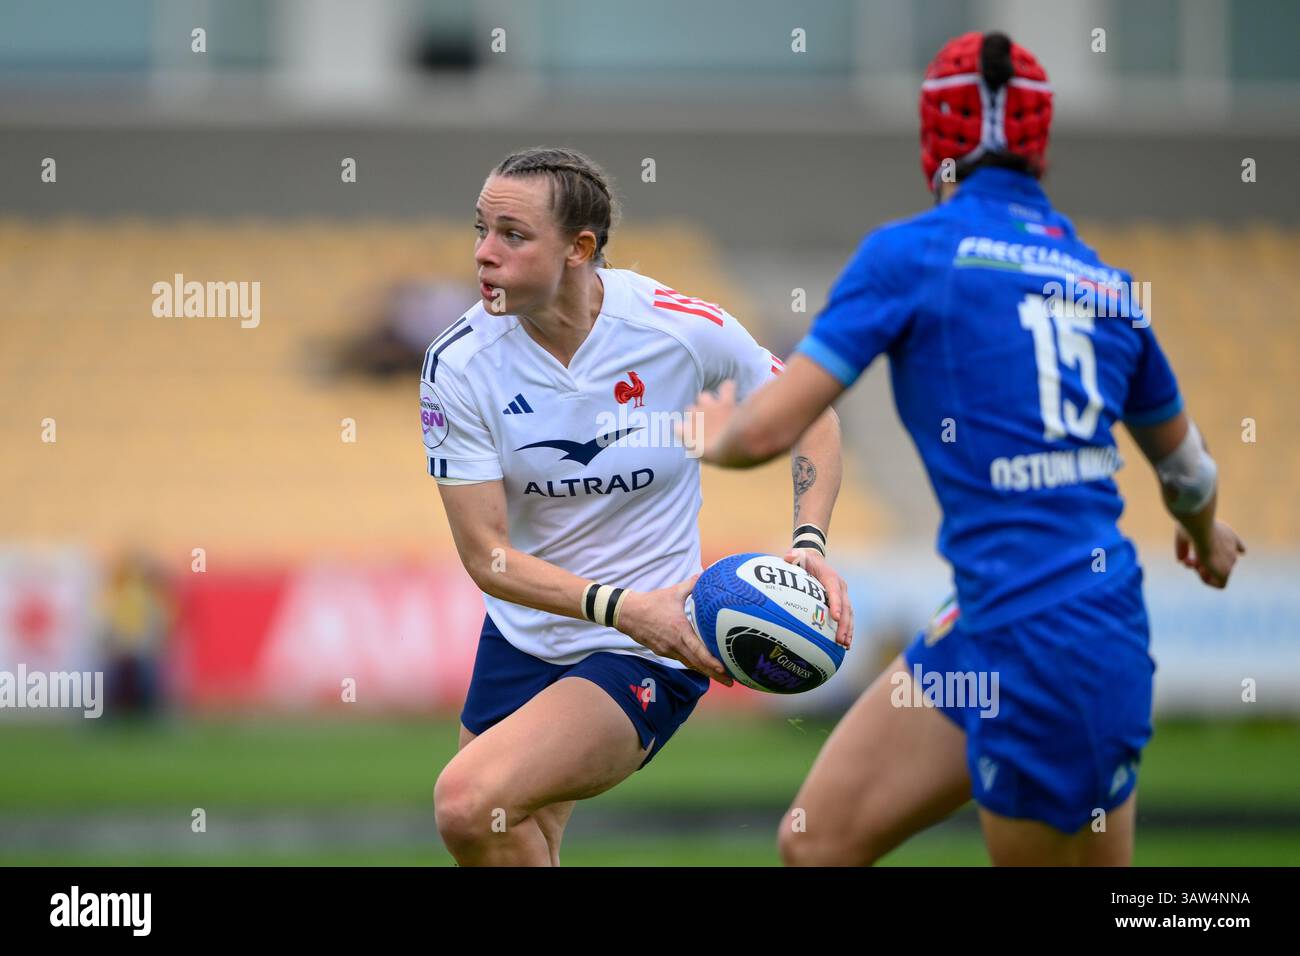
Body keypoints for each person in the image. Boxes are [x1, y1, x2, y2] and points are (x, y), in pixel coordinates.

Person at [690, 32, 1245, 866]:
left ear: (935, 143)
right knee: (816, 843)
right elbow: (1188, 467)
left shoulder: (911, 255)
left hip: (1054, 645)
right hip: (998, 626)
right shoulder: (1104, 285)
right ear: (1040, 148)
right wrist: (1207, 538)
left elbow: (769, 427)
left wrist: (711, 435)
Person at [426, 146, 852, 866]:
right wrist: (625, 605)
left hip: (650, 645)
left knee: (467, 804)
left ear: (579, 249)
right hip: (528, 634)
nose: (483, 254)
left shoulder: (677, 329)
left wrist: (808, 540)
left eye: (512, 234)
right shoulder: (460, 363)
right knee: (510, 834)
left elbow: (812, 413)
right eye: (481, 230)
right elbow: (487, 558)